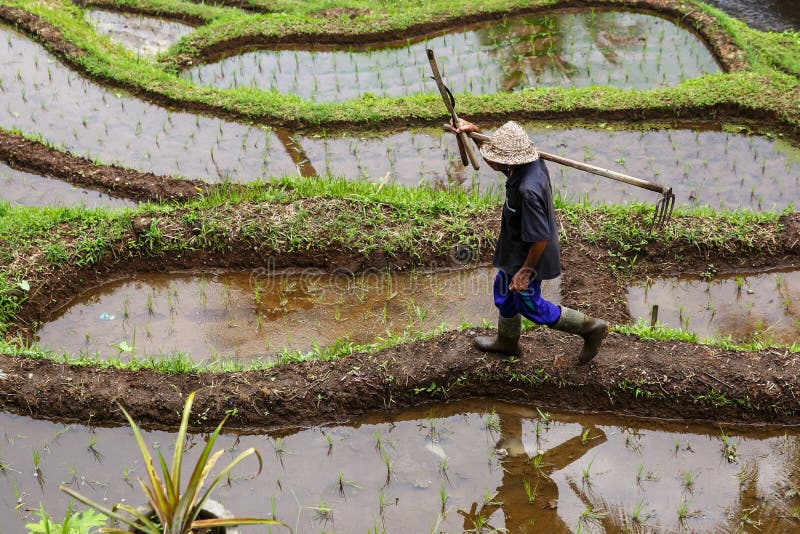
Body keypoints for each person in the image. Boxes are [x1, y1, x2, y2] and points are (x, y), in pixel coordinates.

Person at [453, 120, 607, 363]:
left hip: (531, 255)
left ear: (511, 160)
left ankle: (590, 328)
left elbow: (539, 239)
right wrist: (474, 133)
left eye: (498, 157)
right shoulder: (529, 162)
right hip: (515, 247)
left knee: (529, 305)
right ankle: (507, 342)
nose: (494, 162)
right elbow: (497, 162)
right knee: (503, 292)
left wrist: (525, 272)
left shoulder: (528, 190)